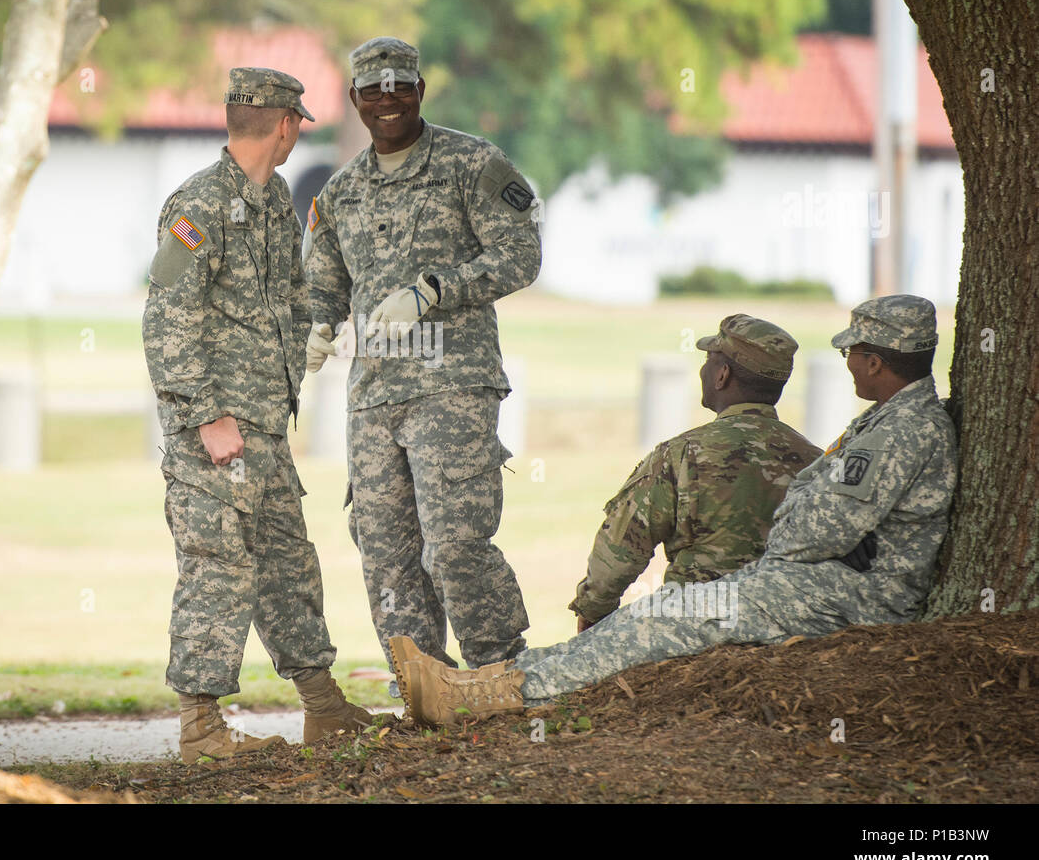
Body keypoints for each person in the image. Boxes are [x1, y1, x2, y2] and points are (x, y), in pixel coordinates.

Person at [388, 295, 957, 726]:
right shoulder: (885, 423)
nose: (848, 361)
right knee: (652, 617)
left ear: (877, 360)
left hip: (849, 593)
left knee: (658, 621)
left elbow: (812, 534)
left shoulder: (903, 429)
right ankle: (487, 684)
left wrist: (802, 511)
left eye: (853, 351)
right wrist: (805, 504)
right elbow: (815, 513)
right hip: (823, 584)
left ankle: (484, 698)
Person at [143, 67, 371, 760]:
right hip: (218, 433)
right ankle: (200, 730)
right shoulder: (198, 205)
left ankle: (324, 707)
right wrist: (207, 414)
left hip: (264, 429)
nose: (299, 130)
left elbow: (290, 298)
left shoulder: (273, 201)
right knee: (218, 566)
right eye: (298, 121)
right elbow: (164, 316)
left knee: (286, 564)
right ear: (284, 124)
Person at [303, 36, 542, 678]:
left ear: (420, 90)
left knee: (456, 545)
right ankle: (423, 691)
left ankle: (503, 674)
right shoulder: (341, 192)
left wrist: (435, 289)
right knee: (386, 555)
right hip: (374, 398)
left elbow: (521, 256)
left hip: (453, 386)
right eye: (374, 93)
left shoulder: (473, 164)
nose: (388, 103)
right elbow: (324, 281)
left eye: (400, 89)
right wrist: (317, 327)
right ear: (355, 100)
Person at [571, 314, 822, 632]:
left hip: (694, 627)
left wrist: (592, 611)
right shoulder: (815, 459)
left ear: (723, 375)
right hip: (788, 623)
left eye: (709, 360)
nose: (702, 370)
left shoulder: (681, 454)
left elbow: (621, 548)